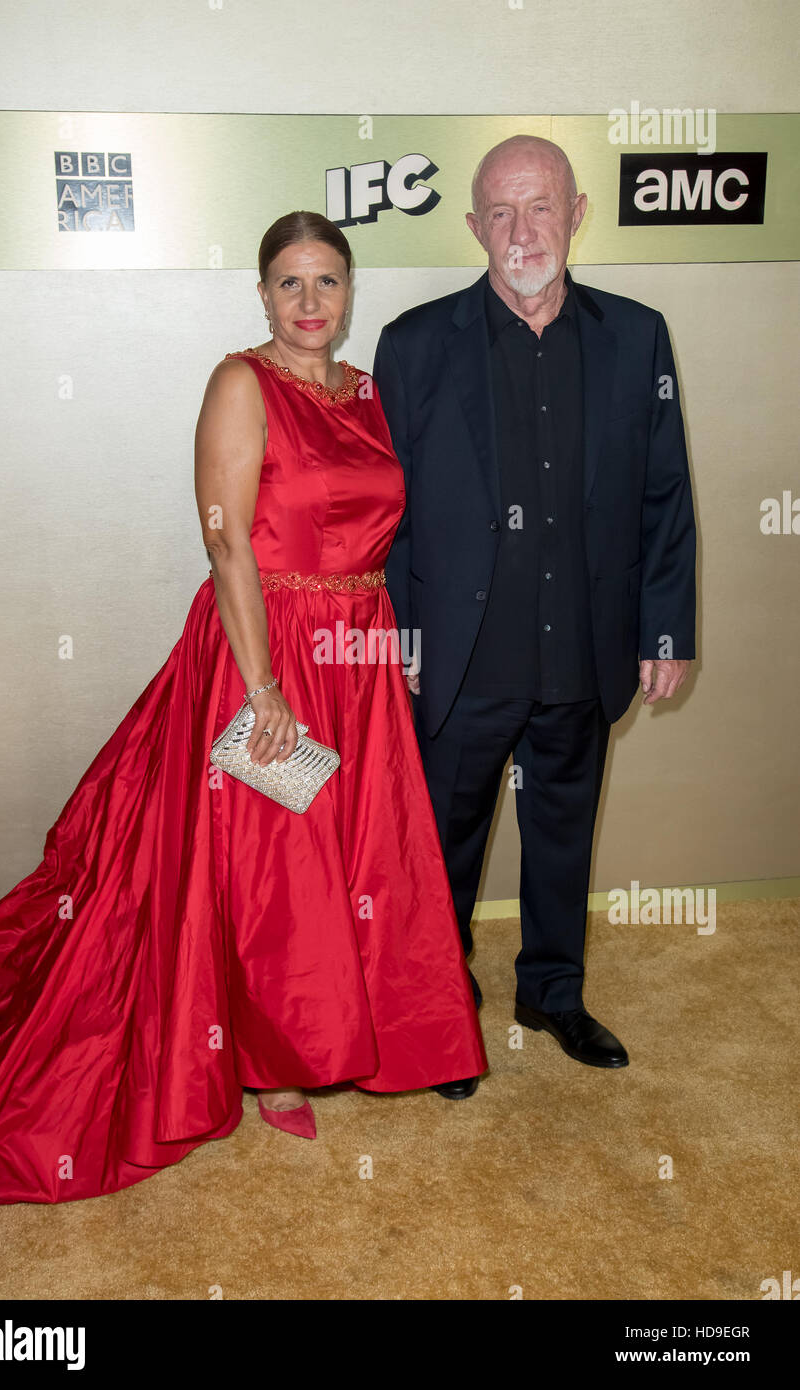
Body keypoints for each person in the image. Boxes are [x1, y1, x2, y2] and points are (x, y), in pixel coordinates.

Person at [0, 210, 487, 1235]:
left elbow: (383, 532)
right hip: (264, 645)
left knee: (346, 856)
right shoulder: (240, 381)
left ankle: (330, 1033)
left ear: (349, 289)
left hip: (355, 648)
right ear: (262, 293)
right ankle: (268, 1064)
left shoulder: (368, 392)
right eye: (289, 283)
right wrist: (262, 686)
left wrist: (386, 651)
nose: (310, 302)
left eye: (327, 281)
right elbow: (226, 539)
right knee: (266, 865)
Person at [372, 136, 696, 1095]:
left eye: (542, 207)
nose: (524, 232)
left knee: (563, 832)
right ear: (473, 226)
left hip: (583, 649)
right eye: (502, 214)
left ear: (578, 211)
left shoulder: (639, 337)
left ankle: (553, 992)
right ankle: (440, 1013)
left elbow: (664, 495)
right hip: (462, 659)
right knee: (446, 846)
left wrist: (664, 629)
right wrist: (400, 629)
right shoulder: (415, 344)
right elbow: (381, 508)